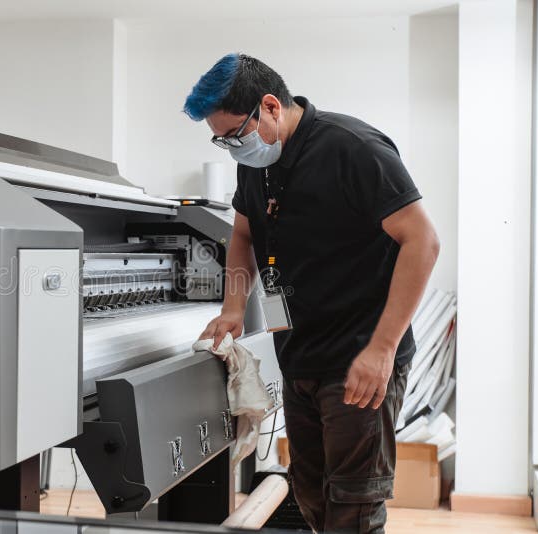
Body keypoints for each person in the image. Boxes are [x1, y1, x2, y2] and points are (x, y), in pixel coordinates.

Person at [185, 53, 440, 533]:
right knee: (311, 494)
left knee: (353, 507)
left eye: (234, 135)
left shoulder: (353, 148)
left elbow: (422, 241)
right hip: (300, 355)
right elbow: (242, 234)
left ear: (270, 106)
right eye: (221, 140)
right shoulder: (256, 163)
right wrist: (233, 307)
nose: (232, 149)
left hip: (359, 357)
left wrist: (382, 349)